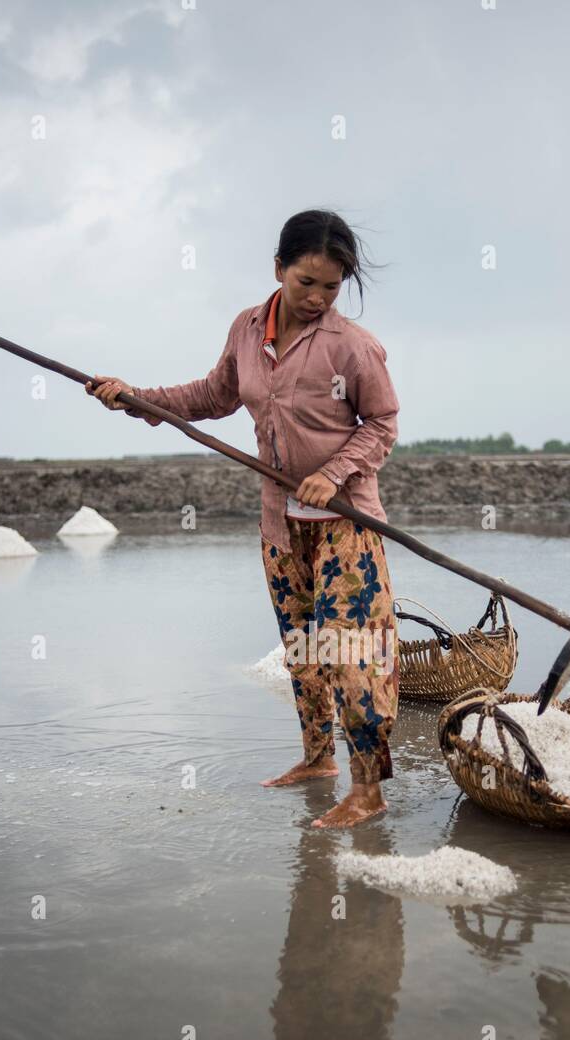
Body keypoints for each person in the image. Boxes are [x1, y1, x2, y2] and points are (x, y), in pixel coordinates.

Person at [87, 208, 401, 828]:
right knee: (306, 653)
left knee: (353, 656)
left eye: (331, 287)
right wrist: (137, 400)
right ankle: (318, 760)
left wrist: (333, 473)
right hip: (281, 526)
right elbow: (214, 395)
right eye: (305, 281)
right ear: (278, 268)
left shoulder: (353, 347)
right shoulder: (246, 329)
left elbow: (383, 425)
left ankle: (369, 791)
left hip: (345, 526)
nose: (316, 298)